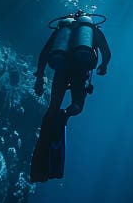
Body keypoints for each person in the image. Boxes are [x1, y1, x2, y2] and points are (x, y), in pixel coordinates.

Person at [30, 10, 111, 182]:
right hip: (80, 71)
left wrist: (39, 78)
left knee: (52, 108)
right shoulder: (92, 30)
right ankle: (66, 114)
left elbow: (44, 54)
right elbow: (106, 52)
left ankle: (40, 161)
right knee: (77, 107)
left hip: (61, 70)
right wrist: (103, 66)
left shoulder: (62, 29)